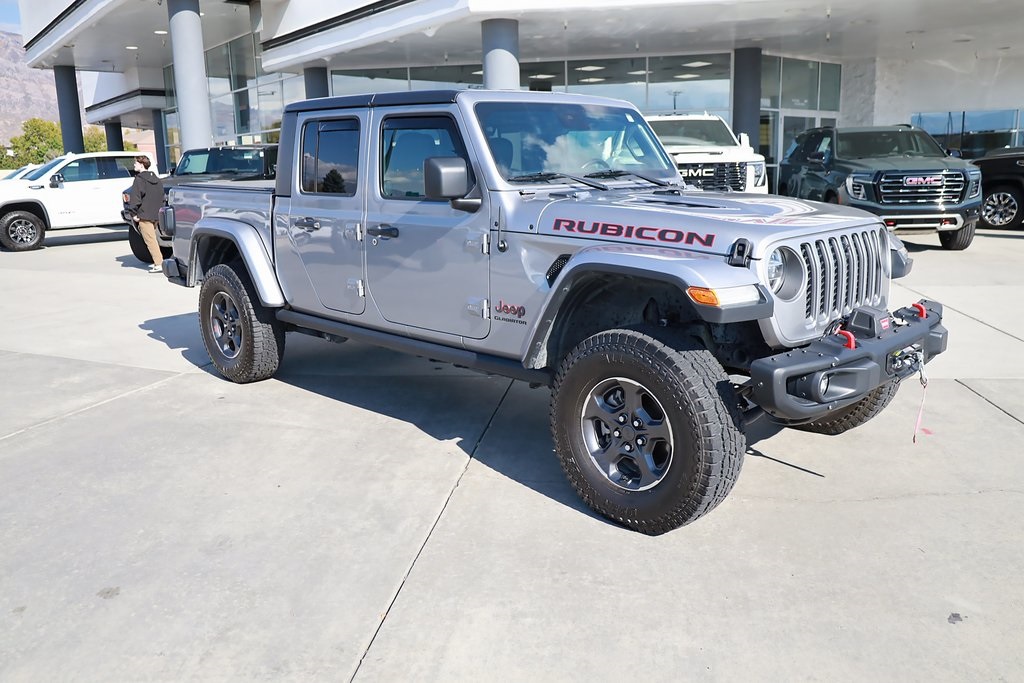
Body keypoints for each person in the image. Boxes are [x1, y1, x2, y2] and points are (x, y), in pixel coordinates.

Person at [128, 155, 165, 272]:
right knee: (154, 238)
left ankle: (159, 263)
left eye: (136, 163)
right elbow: (161, 197)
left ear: (141, 164)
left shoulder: (139, 180)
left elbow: (135, 198)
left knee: (150, 240)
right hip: (155, 214)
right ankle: (159, 262)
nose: (134, 165)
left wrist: (133, 213)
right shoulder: (157, 180)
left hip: (144, 215)